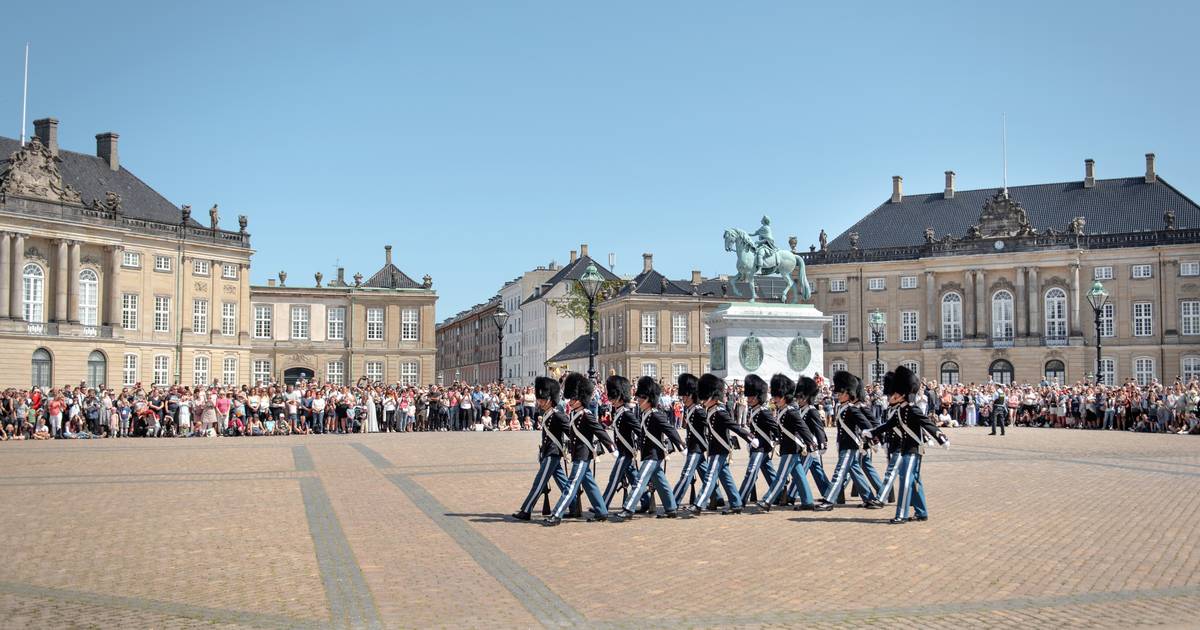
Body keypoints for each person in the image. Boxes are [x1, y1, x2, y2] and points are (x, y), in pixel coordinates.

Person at [867, 366, 950, 524]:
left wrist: (941, 438)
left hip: (913, 449)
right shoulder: (899, 410)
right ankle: (921, 512)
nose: (893, 395)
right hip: (906, 449)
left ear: (903, 394)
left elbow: (927, 423)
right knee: (914, 481)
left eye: (896, 393)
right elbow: (887, 425)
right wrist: (872, 432)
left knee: (906, 480)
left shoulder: (912, 409)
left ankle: (902, 514)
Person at [545, 373, 614, 526]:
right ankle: (601, 511)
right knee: (589, 483)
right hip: (578, 454)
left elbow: (600, 432)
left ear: (580, 399)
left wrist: (612, 448)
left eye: (573, 399)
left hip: (583, 455)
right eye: (570, 398)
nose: (570, 401)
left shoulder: (586, 415)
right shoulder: (574, 414)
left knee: (571, 485)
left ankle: (557, 514)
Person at [614, 376, 686, 520]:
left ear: (648, 399)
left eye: (641, 398)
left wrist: (681, 446)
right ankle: (671, 508)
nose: (638, 400)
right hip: (649, 454)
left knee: (640, 481)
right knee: (661, 482)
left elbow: (670, 430)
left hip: (653, 455)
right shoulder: (645, 414)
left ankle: (628, 509)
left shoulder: (656, 415)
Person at [814, 371, 884, 511]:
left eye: (840, 393)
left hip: (851, 445)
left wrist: (874, 439)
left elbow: (867, 424)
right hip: (844, 444)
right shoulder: (842, 407)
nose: (838, 396)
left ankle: (829, 500)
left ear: (847, 393)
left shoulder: (852, 409)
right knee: (856, 471)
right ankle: (869, 498)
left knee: (839, 472)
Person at [685, 374, 752, 516]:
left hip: (720, 449)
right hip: (714, 449)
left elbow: (735, 427)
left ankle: (698, 504)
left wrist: (750, 438)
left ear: (713, 396)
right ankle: (736, 504)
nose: (702, 399)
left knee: (709, 476)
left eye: (705, 396)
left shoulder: (720, 412)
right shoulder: (710, 411)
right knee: (726, 477)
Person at [756, 374, 819, 511]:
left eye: (777, 396)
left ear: (784, 396)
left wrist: (811, 444)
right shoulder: (782, 410)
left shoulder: (791, 411)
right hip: (787, 447)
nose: (775, 399)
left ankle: (767, 500)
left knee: (781, 476)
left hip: (791, 448)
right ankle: (808, 501)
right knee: (799, 475)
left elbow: (803, 428)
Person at [512, 377, 570, 522]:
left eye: (542, 399)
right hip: (548, 452)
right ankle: (574, 505)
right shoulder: (547, 413)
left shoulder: (557, 414)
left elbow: (571, 432)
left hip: (553, 453)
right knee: (563, 482)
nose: (539, 402)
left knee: (539, 482)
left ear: (550, 399)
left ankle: (526, 510)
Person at [672, 373, 723, 506]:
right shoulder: (690, 409)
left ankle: (673, 502)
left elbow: (712, 427)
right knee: (706, 472)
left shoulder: (699, 410)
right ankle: (717, 497)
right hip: (694, 447)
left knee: (686, 474)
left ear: (690, 395)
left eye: (684, 395)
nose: (682, 398)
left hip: (697, 447)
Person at [601, 375, 646, 512]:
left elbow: (640, 431)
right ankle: (646, 501)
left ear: (620, 396)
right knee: (634, 479)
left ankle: (602, 506)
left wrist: (638, 446)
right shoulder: (618, 412)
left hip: (626, 453)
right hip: (623, 452)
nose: (611, 400)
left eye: (613, 397)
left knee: (614, 479)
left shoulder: (626, 413)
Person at [738, 374, 779, 505]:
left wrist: (775, 440)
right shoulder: (754, 410)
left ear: (757, 397)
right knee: (770, 473)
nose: (748, 399)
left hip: (761, 447)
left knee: (751, 472)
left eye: (750, 396)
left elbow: (776, 428)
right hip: (757, 446)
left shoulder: (763, 411)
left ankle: (740, 499)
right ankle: (780, 493)